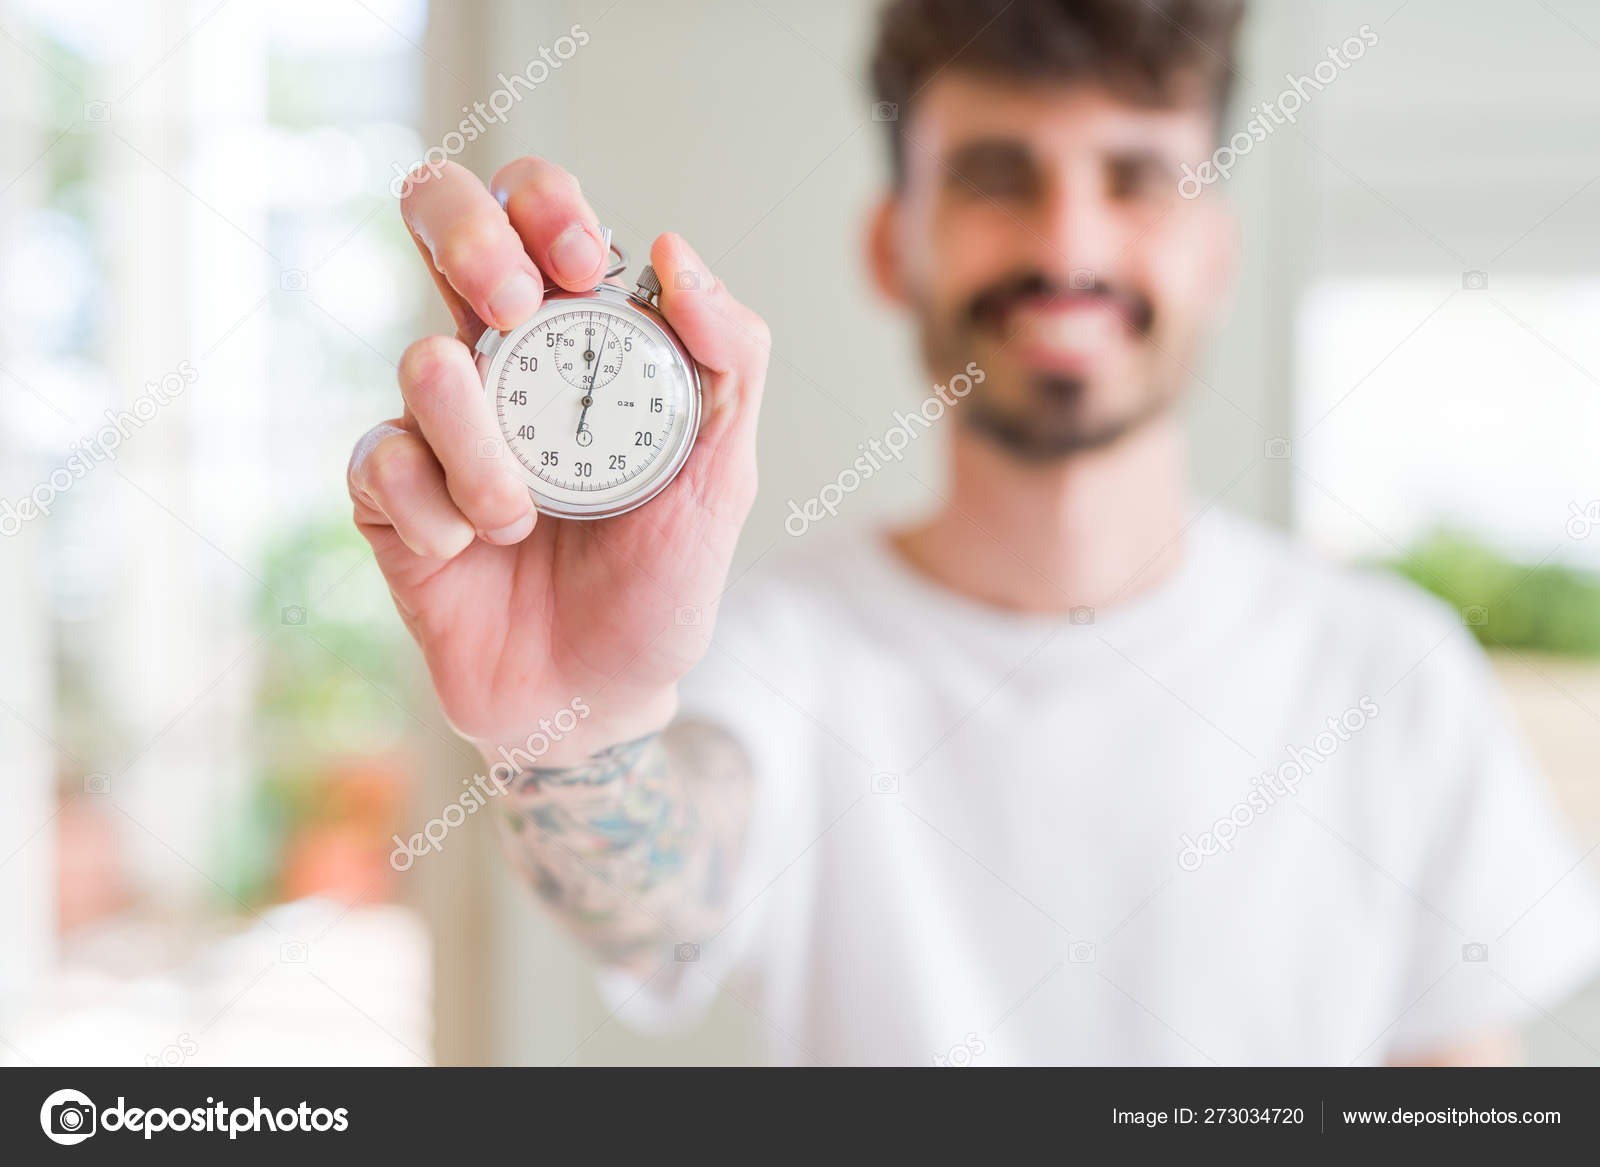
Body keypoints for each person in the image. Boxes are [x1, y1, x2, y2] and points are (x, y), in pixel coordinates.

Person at [347, 0, 1599, 1064]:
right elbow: (658, 909)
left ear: (1216, 252)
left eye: (1135, 179)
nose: (1069, 243)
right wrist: (574, 727)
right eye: (1000, 179)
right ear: (896, 246)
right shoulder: (781, 654)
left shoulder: (1394, 674)